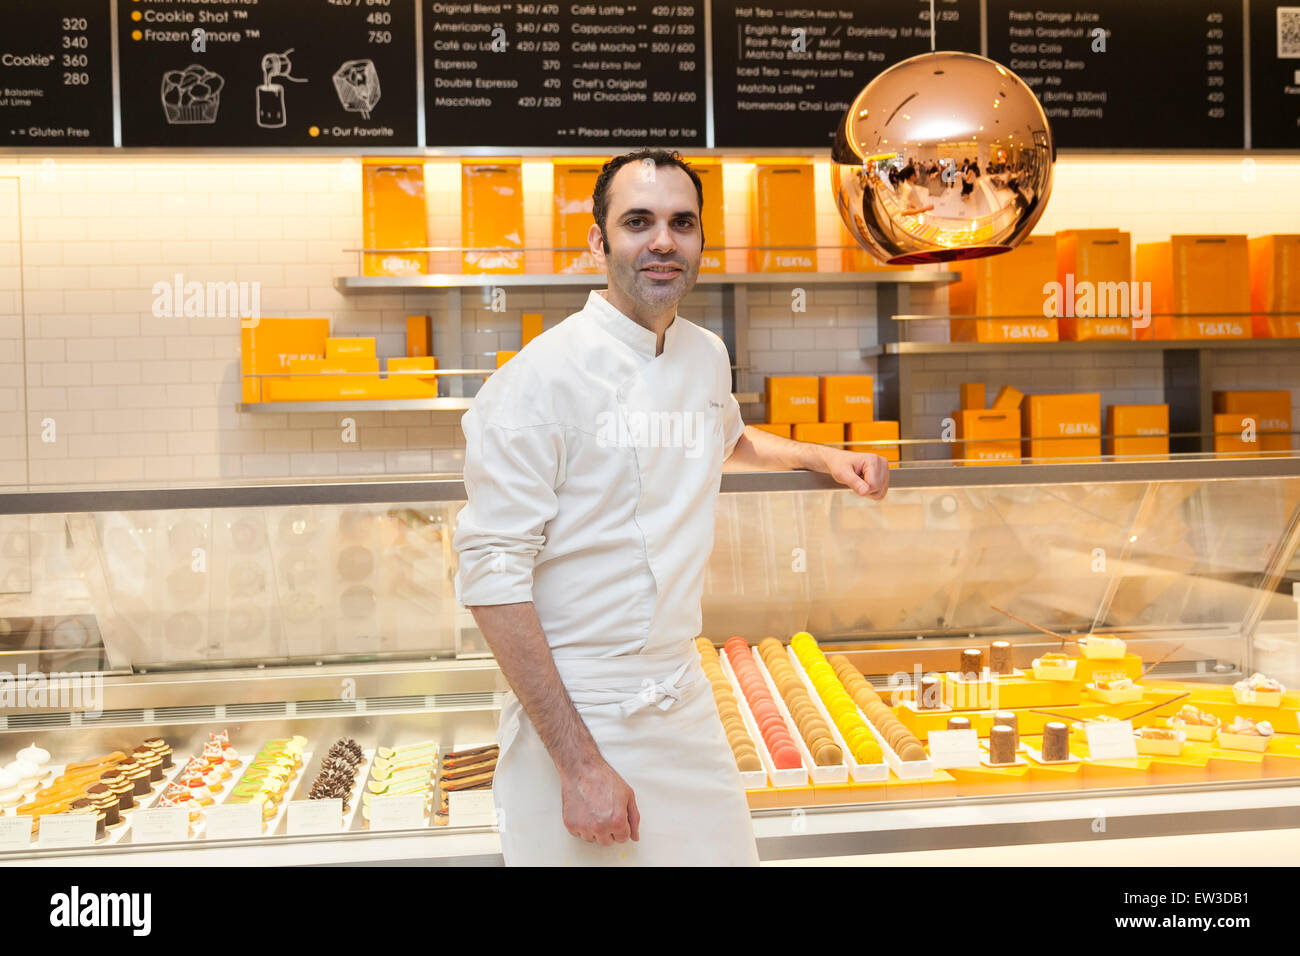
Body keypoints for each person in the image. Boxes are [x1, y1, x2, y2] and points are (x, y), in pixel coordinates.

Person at [452, 148, 890, 866]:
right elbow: (492, 579)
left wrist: (822, 458)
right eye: (638, 222)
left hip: (682, 695)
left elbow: (722, 437)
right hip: (577, 705)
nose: (662, 241)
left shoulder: (703, 354)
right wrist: (579, 764)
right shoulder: (537, 383)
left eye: (681, 223)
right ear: (598, 242)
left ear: (699, 243)